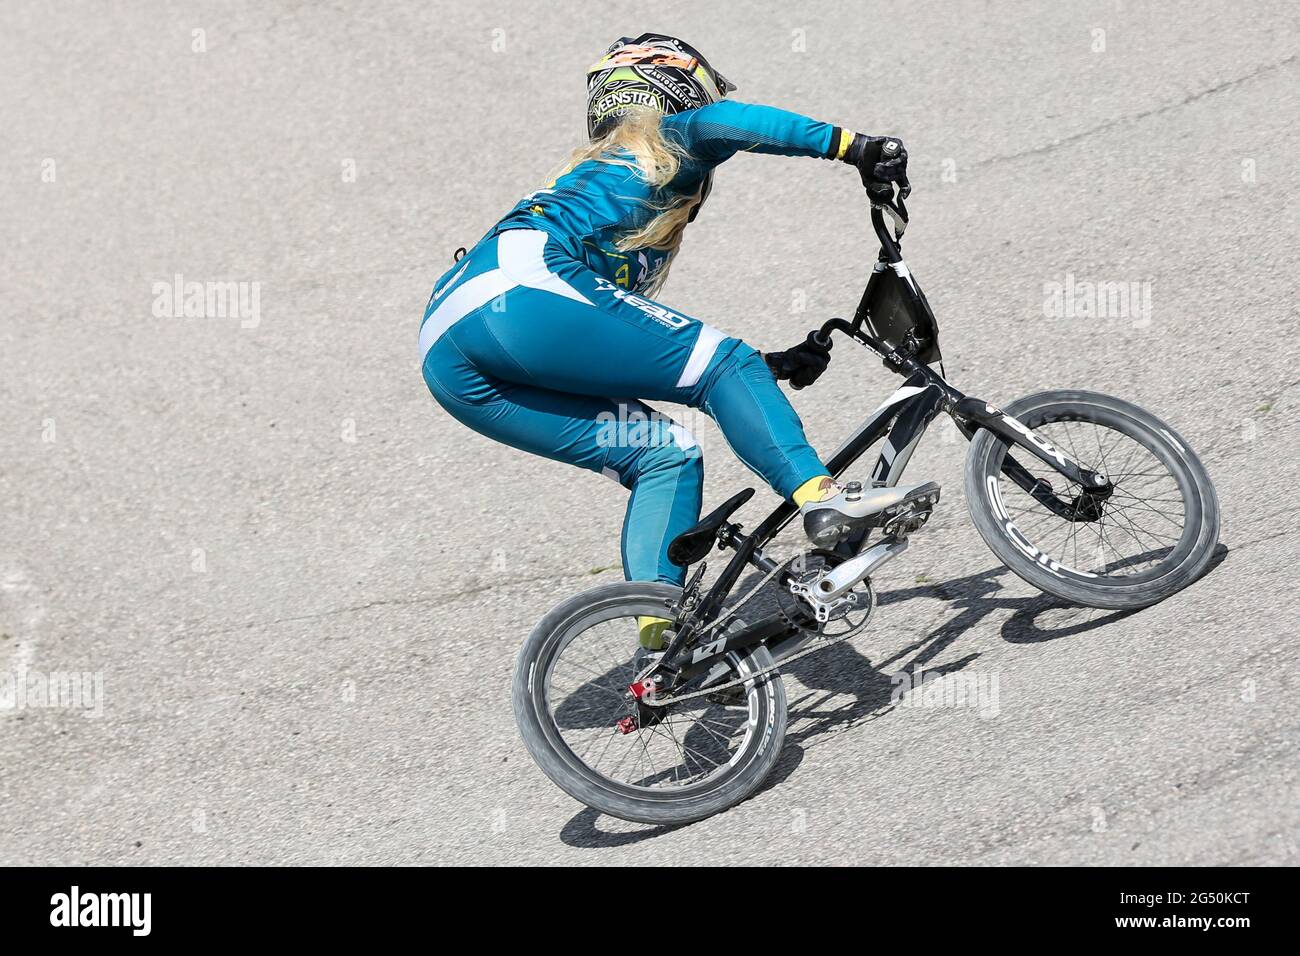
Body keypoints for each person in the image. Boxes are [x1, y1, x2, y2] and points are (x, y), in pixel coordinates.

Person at [420, 33, 936, 652]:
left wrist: (764, 367)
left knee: (662, 454)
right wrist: (855, 148)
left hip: (455, 357)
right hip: (516, 290)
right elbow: (732, 121)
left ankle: (663, 641)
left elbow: (615, 351)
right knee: (725, 365)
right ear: (674, 87)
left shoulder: (595, 197)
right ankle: (825, 503)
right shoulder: (665, 136)